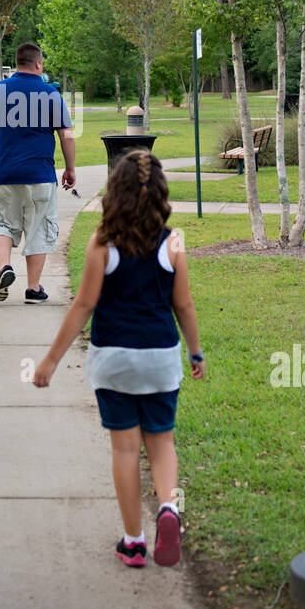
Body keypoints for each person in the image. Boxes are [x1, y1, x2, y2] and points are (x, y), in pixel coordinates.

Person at [33, 149, 205, 567]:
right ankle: (168, 507)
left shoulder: (102, 242)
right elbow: (184, 306)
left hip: (113, 359)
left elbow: (82, 307)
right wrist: (196, 352)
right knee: (162, 443)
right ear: (161, 194)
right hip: (160, 358)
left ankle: (133, 540)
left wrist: (50, 361)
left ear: (115, 192)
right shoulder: (174, 242)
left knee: (126, 450)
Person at [0, 42, 76, 303]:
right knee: (39, 228)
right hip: (40, 174)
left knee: (0, 222)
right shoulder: (51, 94)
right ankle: (33, 288)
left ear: (17, 63)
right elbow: (66, 135)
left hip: (3, 172)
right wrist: (70, 168)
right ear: (38, 63)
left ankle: (4, 267)